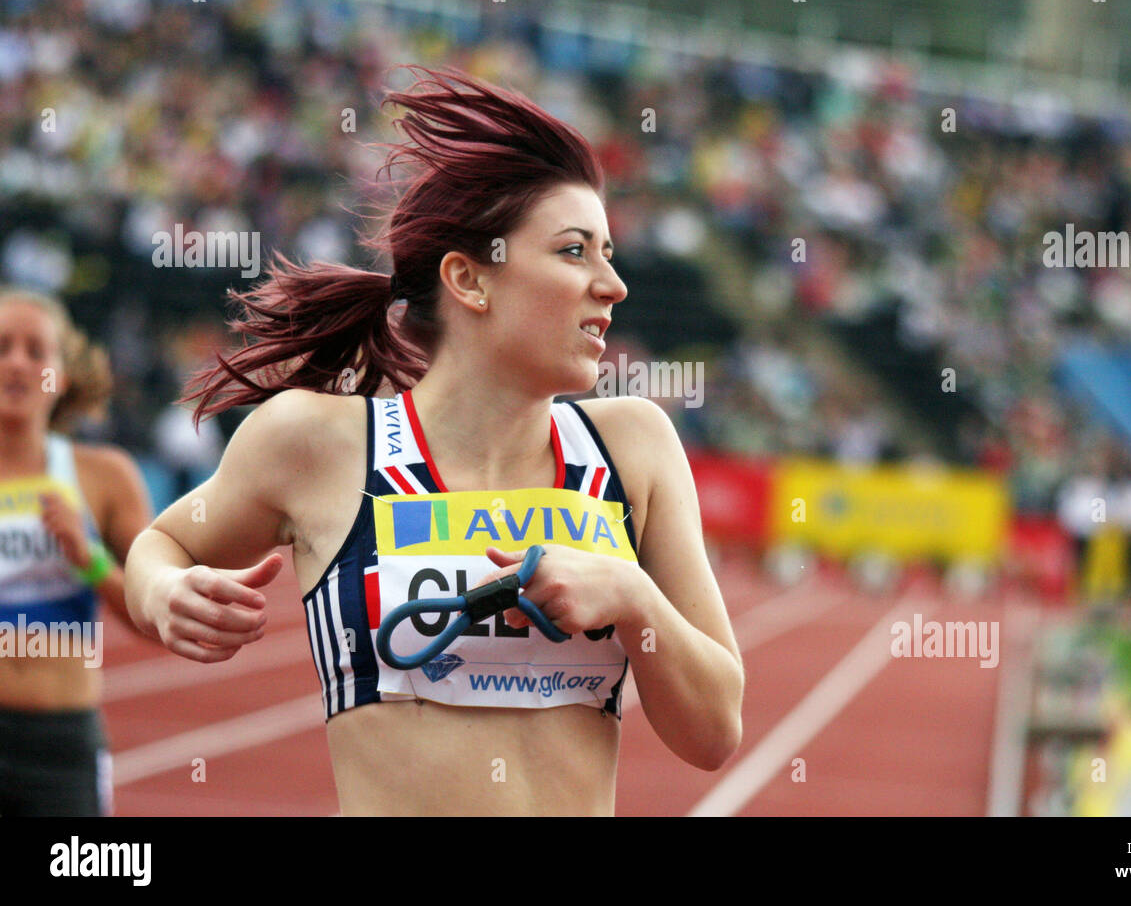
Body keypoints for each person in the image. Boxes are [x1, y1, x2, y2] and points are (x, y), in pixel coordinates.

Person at [123, 66, 745, 816]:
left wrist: (632, 597)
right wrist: (164, 594)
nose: (612, 285)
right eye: (576, 251)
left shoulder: (633, 447)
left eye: (609, 253)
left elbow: (714, 733)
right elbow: (160, 545)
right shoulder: (318, 441)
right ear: (470, 280)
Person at [0, 287, 154, 815]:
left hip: (59, 744)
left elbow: (154, 616)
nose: (17, 362)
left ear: (60, 375)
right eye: (1, 347)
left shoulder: (105, 477)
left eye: (36, 351)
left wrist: (86, 554)